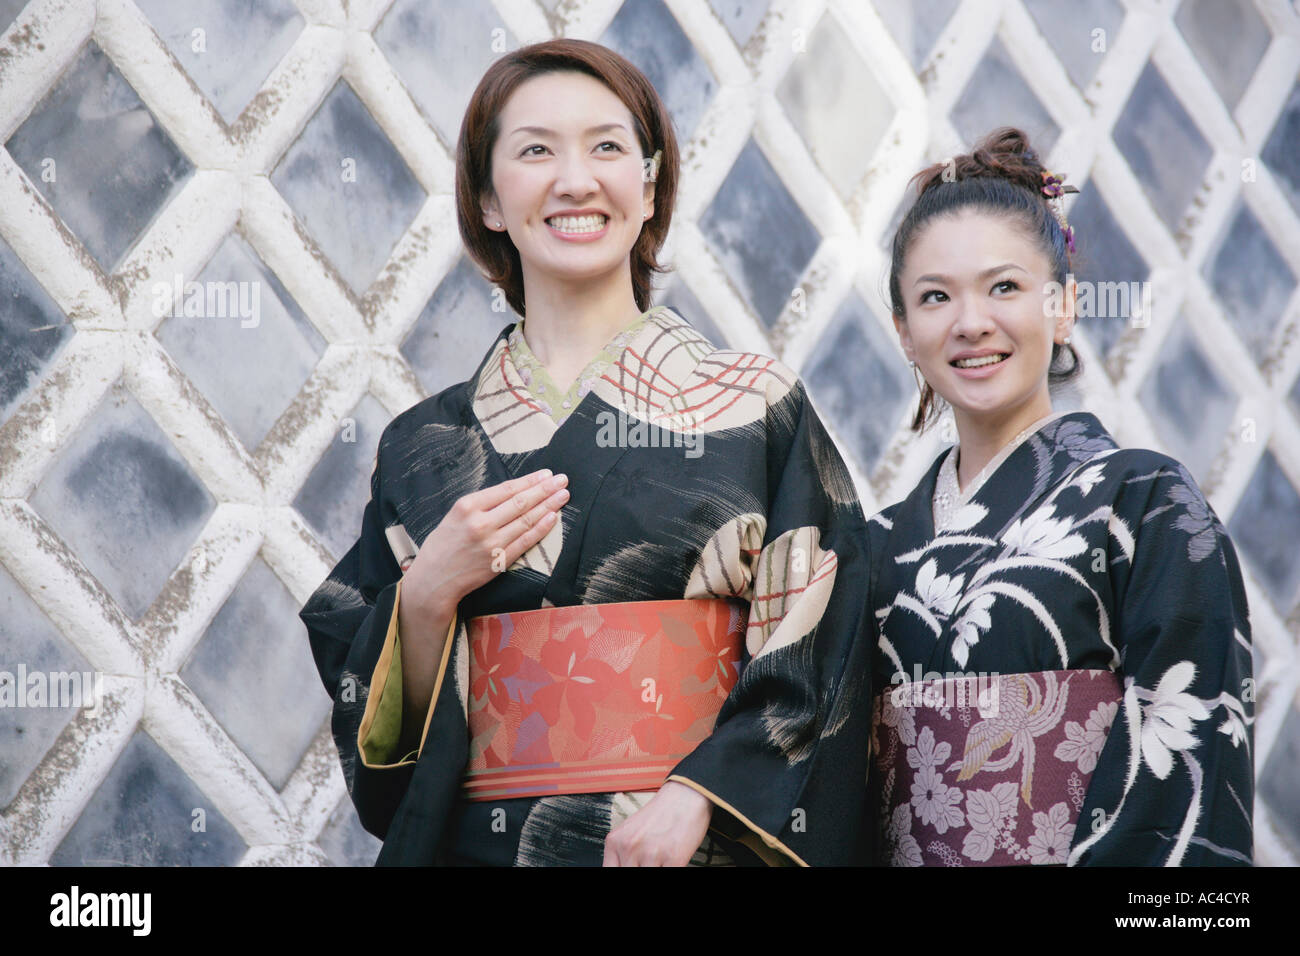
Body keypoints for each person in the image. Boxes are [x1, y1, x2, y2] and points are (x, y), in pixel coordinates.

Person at [299, 38, 874, 866]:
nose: (576, 180)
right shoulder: (424, 447)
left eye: (608, 147)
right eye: (535, 151)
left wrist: (698, 796)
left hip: (688, 846)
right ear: (490, 201)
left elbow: (831, 636)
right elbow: (374, 727)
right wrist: (425, 595)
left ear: (649, 189)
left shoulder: (754, 404)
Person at [866, 127, 1254, 866]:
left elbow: (1192, 764)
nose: (971, 321)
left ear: (1065, 305)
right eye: (935, 297)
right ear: (905, 334)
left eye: (1004, 287)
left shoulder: (1145, 507)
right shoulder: (875, 543)